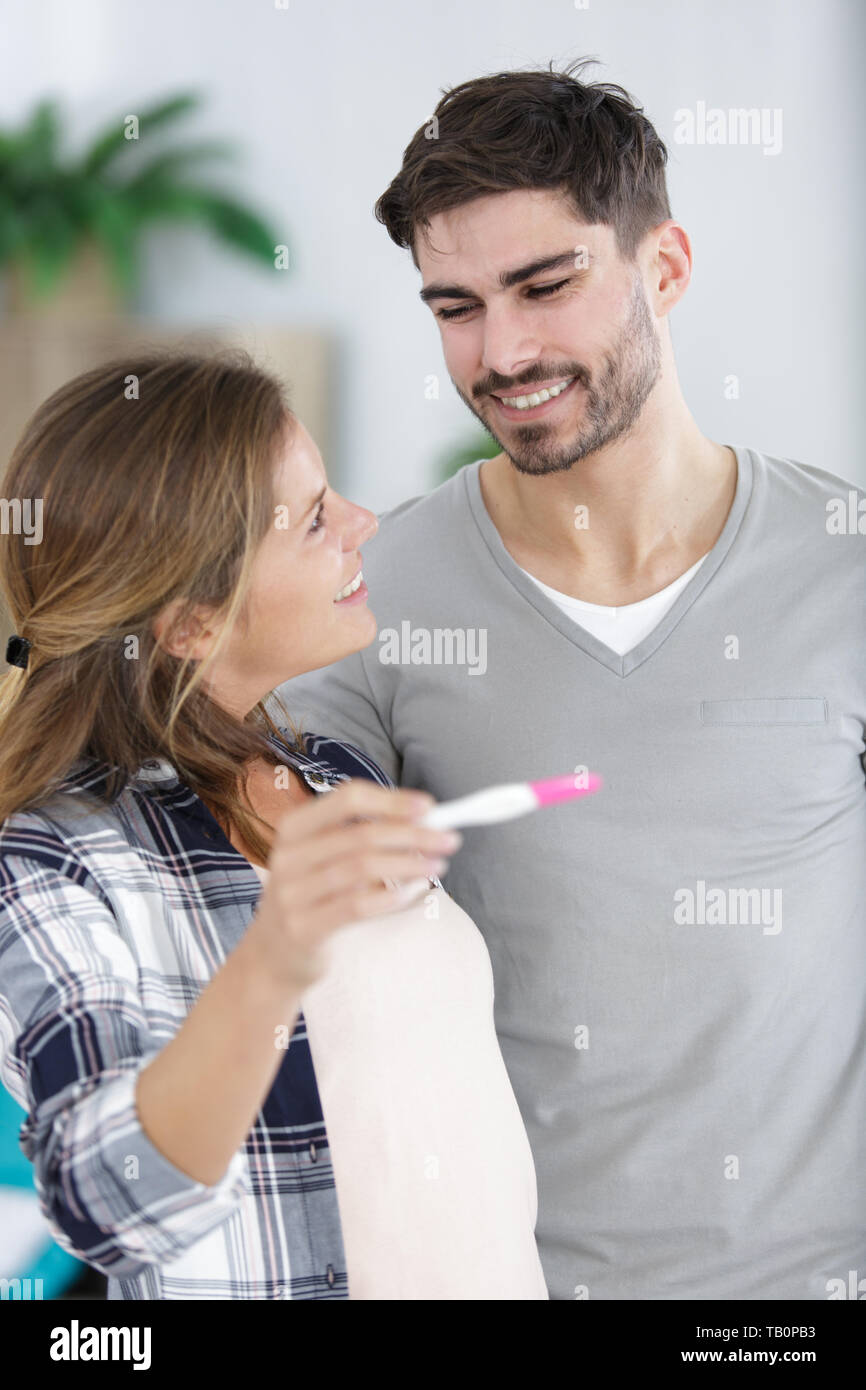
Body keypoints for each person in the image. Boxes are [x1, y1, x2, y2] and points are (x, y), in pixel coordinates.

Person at [277, 60, 866, 1299]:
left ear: (663, 268)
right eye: (455, 306)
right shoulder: (370, 604)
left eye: (545, 286)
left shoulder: (843, 570)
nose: (501, 351)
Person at [0, 350, 549, 1300]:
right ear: (188, 624)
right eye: (312, 520)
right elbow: (108, 1198)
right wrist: (274, 956)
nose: (361, 523)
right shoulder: (51, 861)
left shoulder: (335, 778)